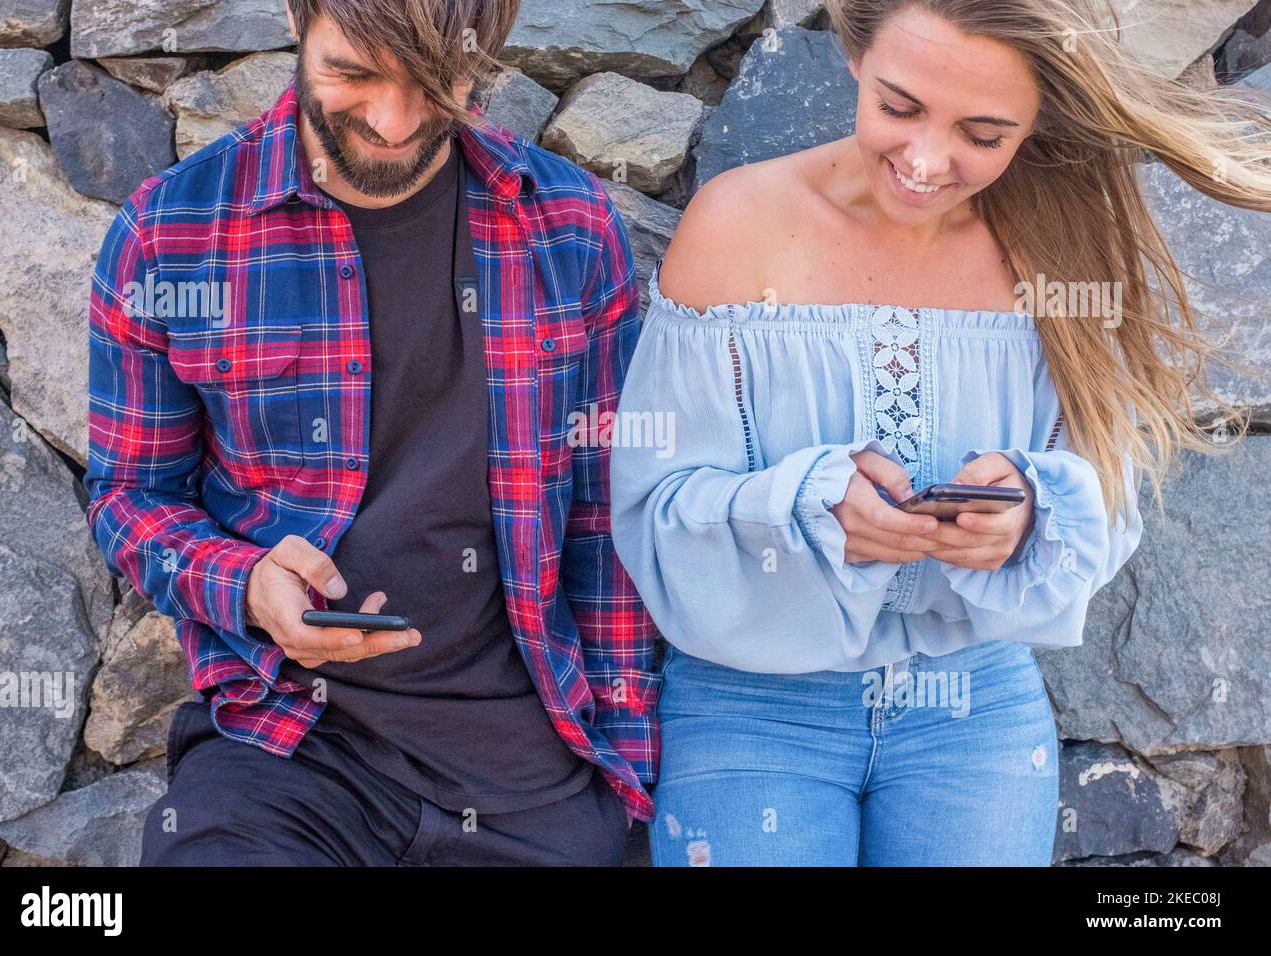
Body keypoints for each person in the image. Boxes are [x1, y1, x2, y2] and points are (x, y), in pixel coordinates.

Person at [610, 0, 1265, 866]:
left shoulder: (1061, 249)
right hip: (753, 707)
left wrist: (1032, 514)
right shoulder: (735, 226)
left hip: (978, 711)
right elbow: (655, 511)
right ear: (854, 55)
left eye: (984, 134)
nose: (925, 161)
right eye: (900, 106)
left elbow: (1109, 494)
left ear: (1037, 121)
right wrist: (806, 505)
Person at [83, 0, 660, 866]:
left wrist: (630, 783)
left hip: (531, 775)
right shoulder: (171, 235)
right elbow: (131, 496)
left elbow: (606, 522)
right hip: (289, 748)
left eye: (435, 84)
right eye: (353, 74)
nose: (394, 121)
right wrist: (246, 583)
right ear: (295, 18)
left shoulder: (571, 229)